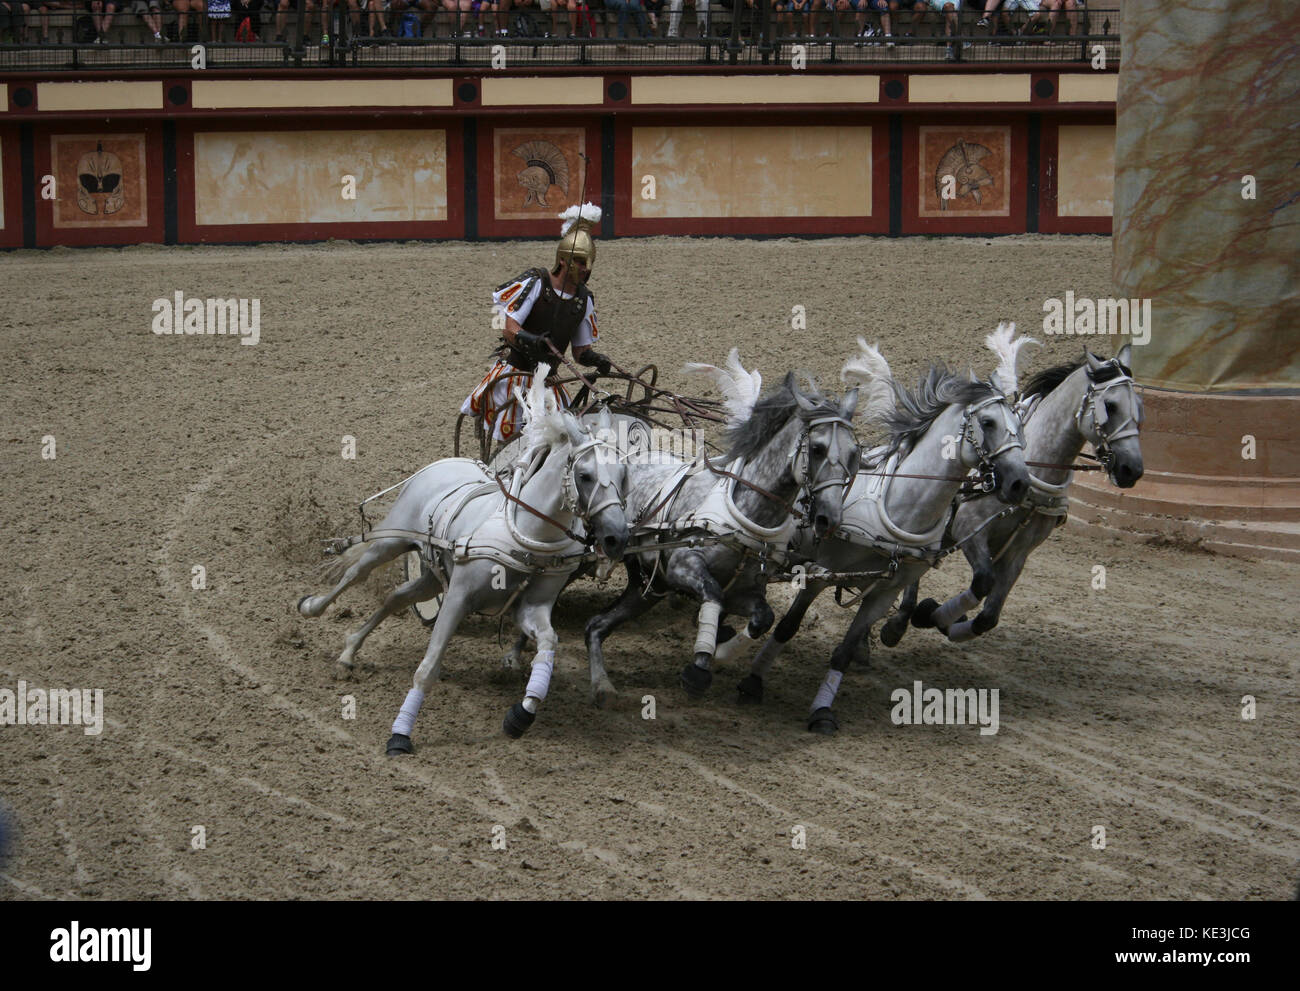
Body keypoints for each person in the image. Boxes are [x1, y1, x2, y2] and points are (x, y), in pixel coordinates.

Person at [461, 203, 616, 445]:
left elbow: (579, 352)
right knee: (513, 443)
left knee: (560, 442)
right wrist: (530, 340)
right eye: (580, 262)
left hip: (549, 381)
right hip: (516, 375)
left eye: (588, 263)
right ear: (564, 260)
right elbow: (508, 326)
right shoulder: (536, 284)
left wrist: (596, 359)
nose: (585, 269)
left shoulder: (583, 301)